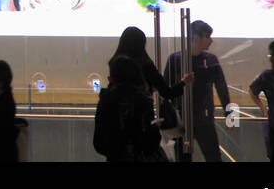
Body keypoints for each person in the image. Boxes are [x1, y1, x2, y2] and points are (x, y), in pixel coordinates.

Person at [163, 20, 233, 162]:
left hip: (204, 117)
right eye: (208, 37)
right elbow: (166, 89)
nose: (211, 40)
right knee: (183, 157)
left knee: (213, 156)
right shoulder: (175, 59)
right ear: (196, 38)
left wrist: (229, 113)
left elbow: (222, 88)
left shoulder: (210, 59)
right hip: (183, 118)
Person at [110, 27, 191, 131]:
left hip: (116, 119)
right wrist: (184, 82)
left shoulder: (115, 64)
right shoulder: (145, 64)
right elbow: (166, 92)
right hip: (140, 118)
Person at [94, 56, 164, 162]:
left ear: (111, 79)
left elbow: (99, 143)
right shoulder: (143, 101)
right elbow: (151, 142)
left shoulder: (106, 101)